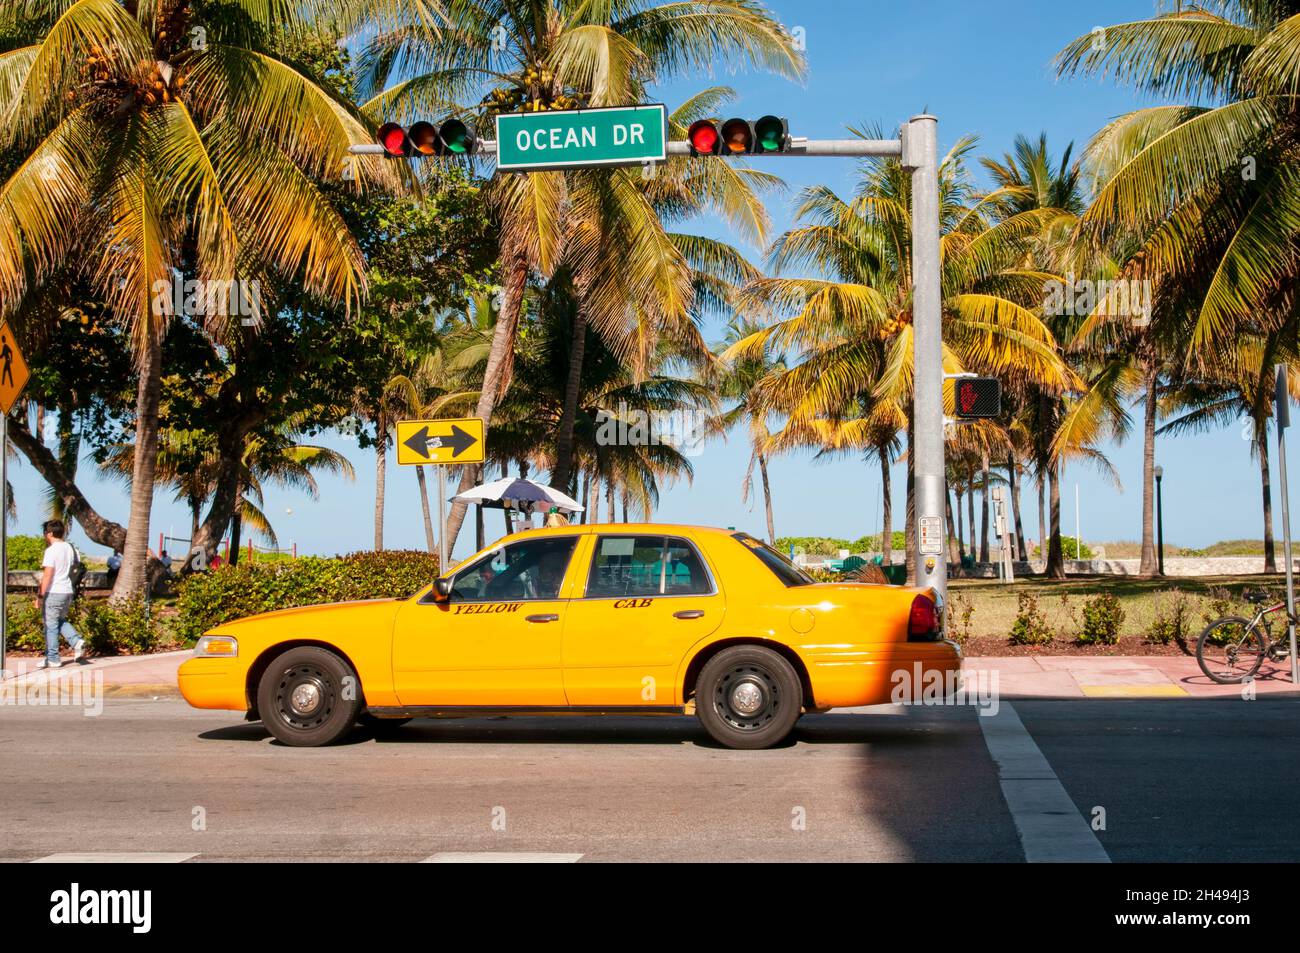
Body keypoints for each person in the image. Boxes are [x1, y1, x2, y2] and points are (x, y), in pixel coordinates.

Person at [37, 520, 87, 669]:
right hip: (67, 591)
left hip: (54, 591)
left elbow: (48, 575)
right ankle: (76, 640)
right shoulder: (70, 548)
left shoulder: (52, 550)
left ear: (50, 533)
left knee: (50, 626)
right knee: (59, 621)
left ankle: (53, 658)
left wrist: (40, 596)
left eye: (45, 533)